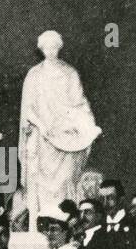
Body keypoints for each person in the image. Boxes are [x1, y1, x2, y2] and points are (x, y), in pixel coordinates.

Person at [18, 30, 101, 225]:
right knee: (40, 180)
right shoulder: (34, 75)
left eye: (54, 47)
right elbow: (28, 109)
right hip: (42, 135)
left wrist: (88, 127)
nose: (51, 51)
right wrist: (41, 125)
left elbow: (79, 103)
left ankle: (65, 222)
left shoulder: (69, 73)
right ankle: (42, 222)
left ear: (59, 48)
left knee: (65, 180)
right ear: (42, 49)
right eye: (47, 47)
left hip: (66, 135)